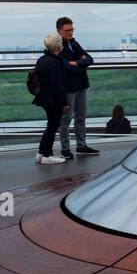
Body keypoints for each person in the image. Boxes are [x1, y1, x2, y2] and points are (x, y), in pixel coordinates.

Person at [56, 16, 98, 158]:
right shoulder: (58, 47)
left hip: (81, 86)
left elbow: (90, 59)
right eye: (67, 30)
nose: (70, 33)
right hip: (69, 88)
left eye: (72, 29)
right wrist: (82, 65)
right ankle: (65, 148)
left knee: (81, 116)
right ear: (59, 31)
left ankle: (81, 145)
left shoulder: (74, 43)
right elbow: (67, 68)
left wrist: (77, 63)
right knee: (66, 119)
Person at [32, 33, 71, 165]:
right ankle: (46, 155)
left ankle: (41, 152)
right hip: (53, 100)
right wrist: (64, 103)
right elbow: (58, 86)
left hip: (44, 98)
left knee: (50, 126)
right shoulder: (54, 63)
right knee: (53, 127)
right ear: (58, 46)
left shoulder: (42, 60)